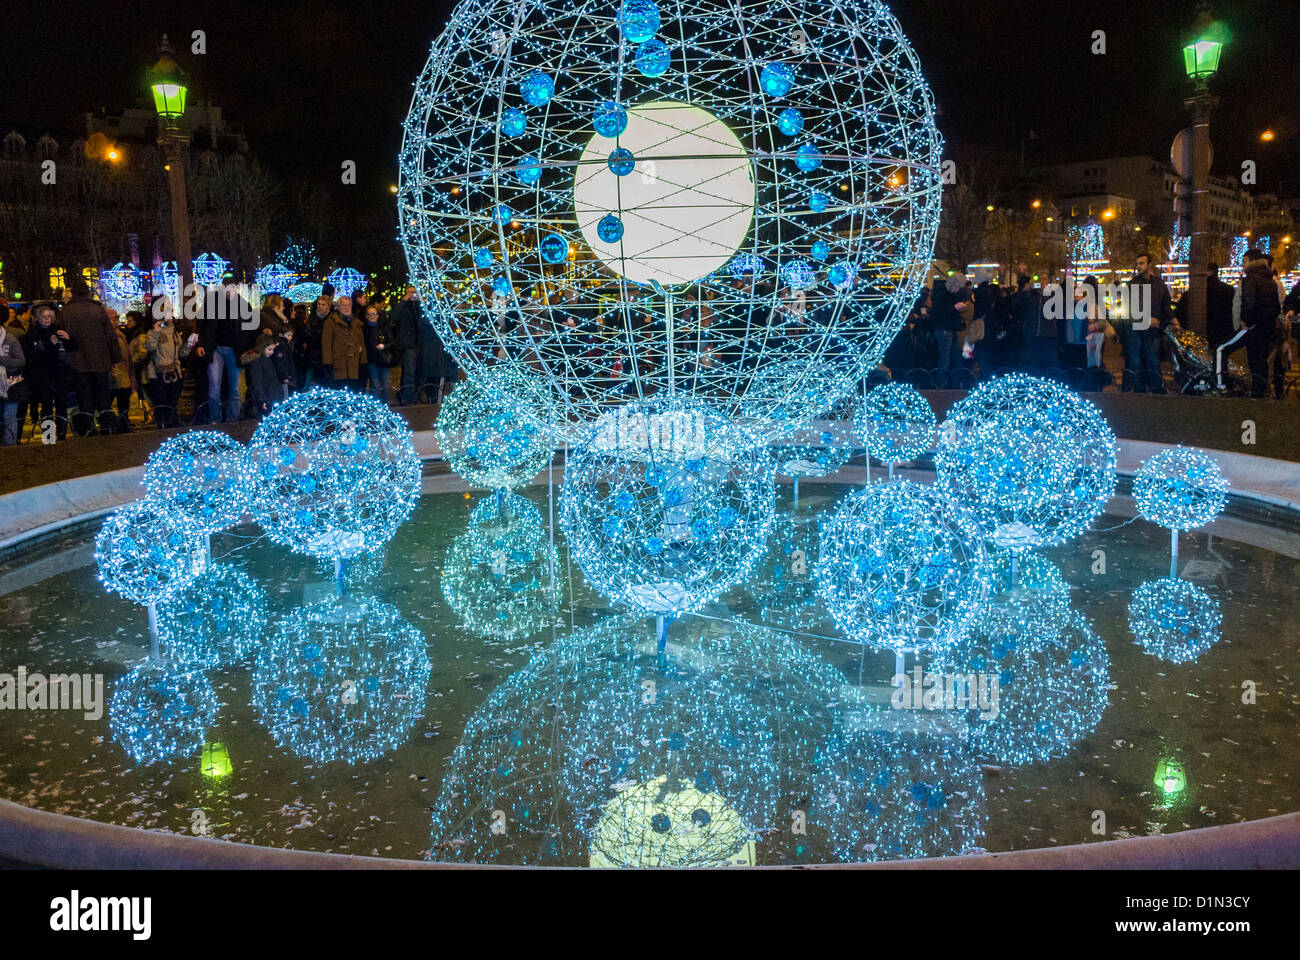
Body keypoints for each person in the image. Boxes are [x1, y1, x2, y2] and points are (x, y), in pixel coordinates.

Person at [61, 278, 124, 435]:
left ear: (73, 293)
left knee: (84, 397)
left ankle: (88, 428)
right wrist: (115, 357)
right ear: (87, 292)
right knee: (103, 396)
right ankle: (107, 426)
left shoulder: (66, 311)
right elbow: (110, 336)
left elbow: (62, 335)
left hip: (78, 362)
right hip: (100, 361)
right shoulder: (97, 309)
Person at [196, 281, 250, 423]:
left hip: (233, 349)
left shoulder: (242, 304)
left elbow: (249, 327)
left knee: (235, 387)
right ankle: (216, 418)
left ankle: (233, 419)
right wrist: (201, 344)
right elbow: (201, 325)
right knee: (215, 387)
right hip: (216, 349)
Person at [20, 302, 71, 440]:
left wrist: (68, 339)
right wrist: (48, 345)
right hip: (43, 376)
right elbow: (32, 355)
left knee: (61, 404)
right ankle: (48, 435)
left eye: (49, 316)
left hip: (59, 374)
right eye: (43, 316)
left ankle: (61, 433)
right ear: (37, 318)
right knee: (47, 405)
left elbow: (72, 349)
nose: (47, 319)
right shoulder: (32, 334)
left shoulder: (58, 331)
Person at [1122, 254, 1172, 393]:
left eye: (1142, 263)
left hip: (1152, 330)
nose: (1138, 266)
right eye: (1137, 263)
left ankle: (1156, 388)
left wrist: (1173, 321)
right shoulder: (1132, 284)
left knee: (1153, 360)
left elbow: (1166, 305)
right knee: (1136, 360)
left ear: (1150, 264)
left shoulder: (1159, 284)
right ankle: (1140, 389)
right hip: (1135, 329)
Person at [1238, 249, 1281, 399]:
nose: (1242, 265)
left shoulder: (1251, 279)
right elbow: (1276, 306)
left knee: (1254, 359)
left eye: (1244, 261)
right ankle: (1262, 390)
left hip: (1254, 326)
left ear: (1250, 261)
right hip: (1267, 325)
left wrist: (1246, 321)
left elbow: (1249, 303)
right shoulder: (1269, 279)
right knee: (1262, 359)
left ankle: (1256, 391)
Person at [143, 299, 192, 428]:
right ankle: (162, 426)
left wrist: (189, 345)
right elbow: (150, 347)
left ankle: (172, 425)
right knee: (161, 402)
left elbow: (181, 354)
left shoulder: (175, 334)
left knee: (173, 402)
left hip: (174, 372)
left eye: (170, 313)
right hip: (157, 373)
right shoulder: (153, 332)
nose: (169, 317)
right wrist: (156, 332)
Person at [321, 294, 366, 390]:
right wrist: (328, 363)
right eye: (343, 305)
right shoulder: (330, 322)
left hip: (354, 365)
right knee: (340, 393)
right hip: (338, 364)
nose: (346, 307)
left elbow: (361, 342)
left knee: (353, 392)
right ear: (338, 307)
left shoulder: (356, 322)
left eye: (348, 305)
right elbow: (326, 344)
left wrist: (363, 361)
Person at [390, 285, 423, 405]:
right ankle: (408, 399)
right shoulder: (403, 307)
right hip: (409, 345)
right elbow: (393, 315)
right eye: (410, 292)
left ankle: (417, 397)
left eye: (415, 292)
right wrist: (404, 301)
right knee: (409, 373)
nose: (413, 294)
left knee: (419, 373)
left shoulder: (419, 306)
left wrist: (421, 303)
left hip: (420, 344)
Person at [107, 308, 136, 433]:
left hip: (123, 373)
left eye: (116, 319)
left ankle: (124, 423)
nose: (116, 321)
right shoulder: (109, 335)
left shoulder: (119, 334)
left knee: (123, 402)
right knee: (116, 401)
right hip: (115, 373)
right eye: (113, 319)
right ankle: (118, 424)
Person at [0, 321, 27, 445]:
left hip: (11, 384)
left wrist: (3, 361)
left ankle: (10, 444)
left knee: (8, 416)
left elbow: (21, 361)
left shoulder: (11, 339)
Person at [241, 334, 280, 418]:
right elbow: (256, 382)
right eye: (269, 349)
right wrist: (263, 399)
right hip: (264, 397)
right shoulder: (257, 361)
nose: (272, 352)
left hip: (270, 396)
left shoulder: (266, 358)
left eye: (273, 349)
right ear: (262, 347)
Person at [362, 304, 392, 402]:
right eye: (370, 314)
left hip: (383, 358)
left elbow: (392, 341)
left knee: (385, 384)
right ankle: (375, 407)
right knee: (375, 384)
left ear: (378, 315)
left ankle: (385, 406)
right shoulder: (363, 328)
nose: (372, 316)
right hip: (371, 359)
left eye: (374, 314)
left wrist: (384, 346)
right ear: (366, 316)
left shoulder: (384, 327)